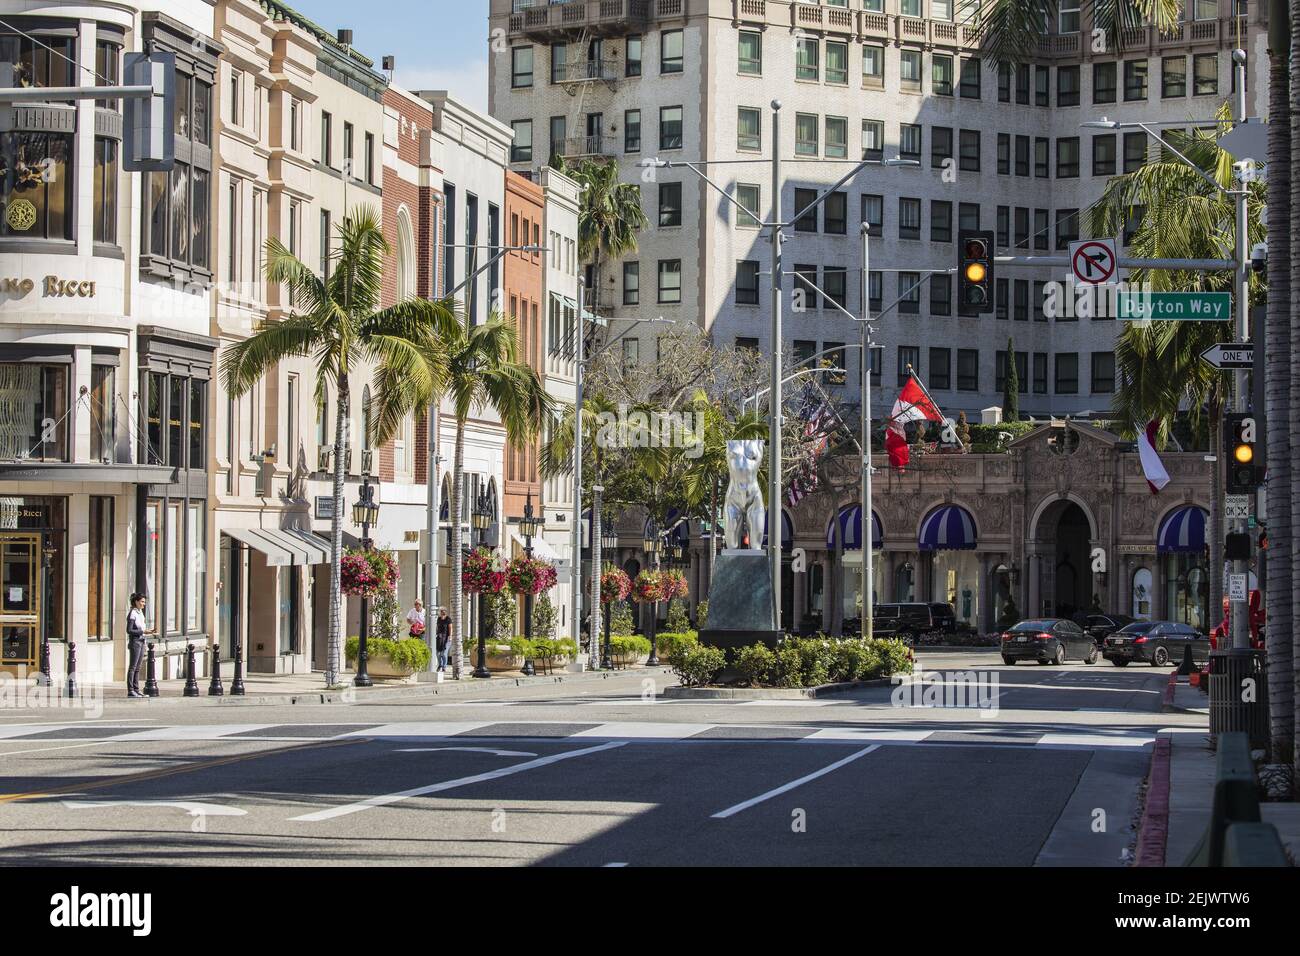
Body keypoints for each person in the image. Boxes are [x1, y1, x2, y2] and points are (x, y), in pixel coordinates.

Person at [126, 592, 154, 698]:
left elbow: (141, 628)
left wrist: (148, 631)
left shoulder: (140, 613)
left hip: (142, 641)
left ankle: (136, 690)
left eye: (144, 602)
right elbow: (129, 630)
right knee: (133, 667)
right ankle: (131, 690)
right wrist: (143, 631)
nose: (144, 604)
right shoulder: (132, 613)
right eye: (142, 602)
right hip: (135, 642)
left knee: (138, 667)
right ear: (136, 602)